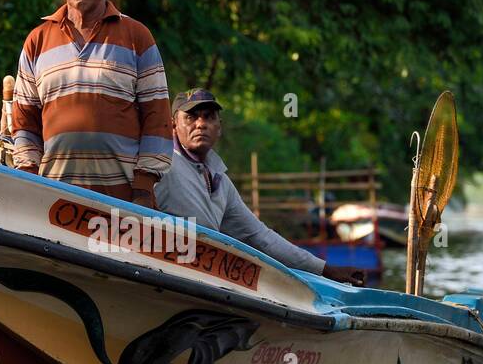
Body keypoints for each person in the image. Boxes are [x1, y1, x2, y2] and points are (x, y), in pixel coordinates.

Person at [10, 0, 171, 207]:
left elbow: (157, 116)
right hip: (53, 198)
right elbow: (25, 121)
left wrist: (144, 185)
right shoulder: (37, 41)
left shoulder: (137, 36)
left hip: (123, 198)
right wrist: (28, 178)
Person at [156, 89, 367, 285]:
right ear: (173, 124)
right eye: (191, 117)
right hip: (166, 274)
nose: (201, 124)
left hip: (202, 278)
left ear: (219, 127)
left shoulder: (220, 181)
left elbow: (259, 237)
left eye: (209, 117)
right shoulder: (163, 163)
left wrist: (325, 270)